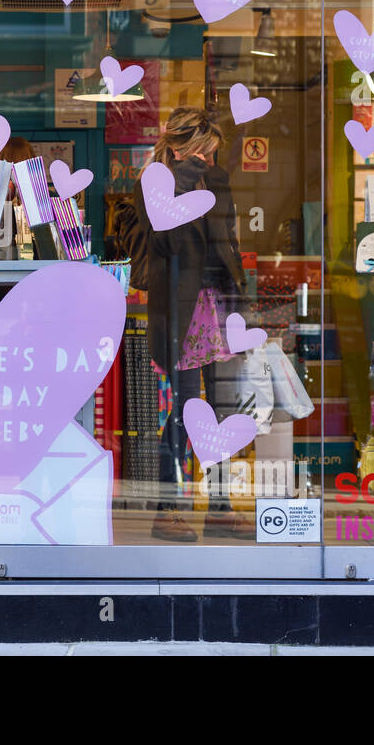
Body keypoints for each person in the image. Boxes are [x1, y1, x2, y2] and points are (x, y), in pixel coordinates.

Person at [132, 107, 251, 542]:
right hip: (181, 310)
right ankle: (167, 509)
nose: (207, 161)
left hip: (216, 308)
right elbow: (163, 243)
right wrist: (181, 179)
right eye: (201, 153)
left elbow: (228, 245)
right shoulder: (155, 183)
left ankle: (218, 507)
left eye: (212, 154)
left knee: (220, 411)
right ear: (181, 149)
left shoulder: (215, 183)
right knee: (184, 412)